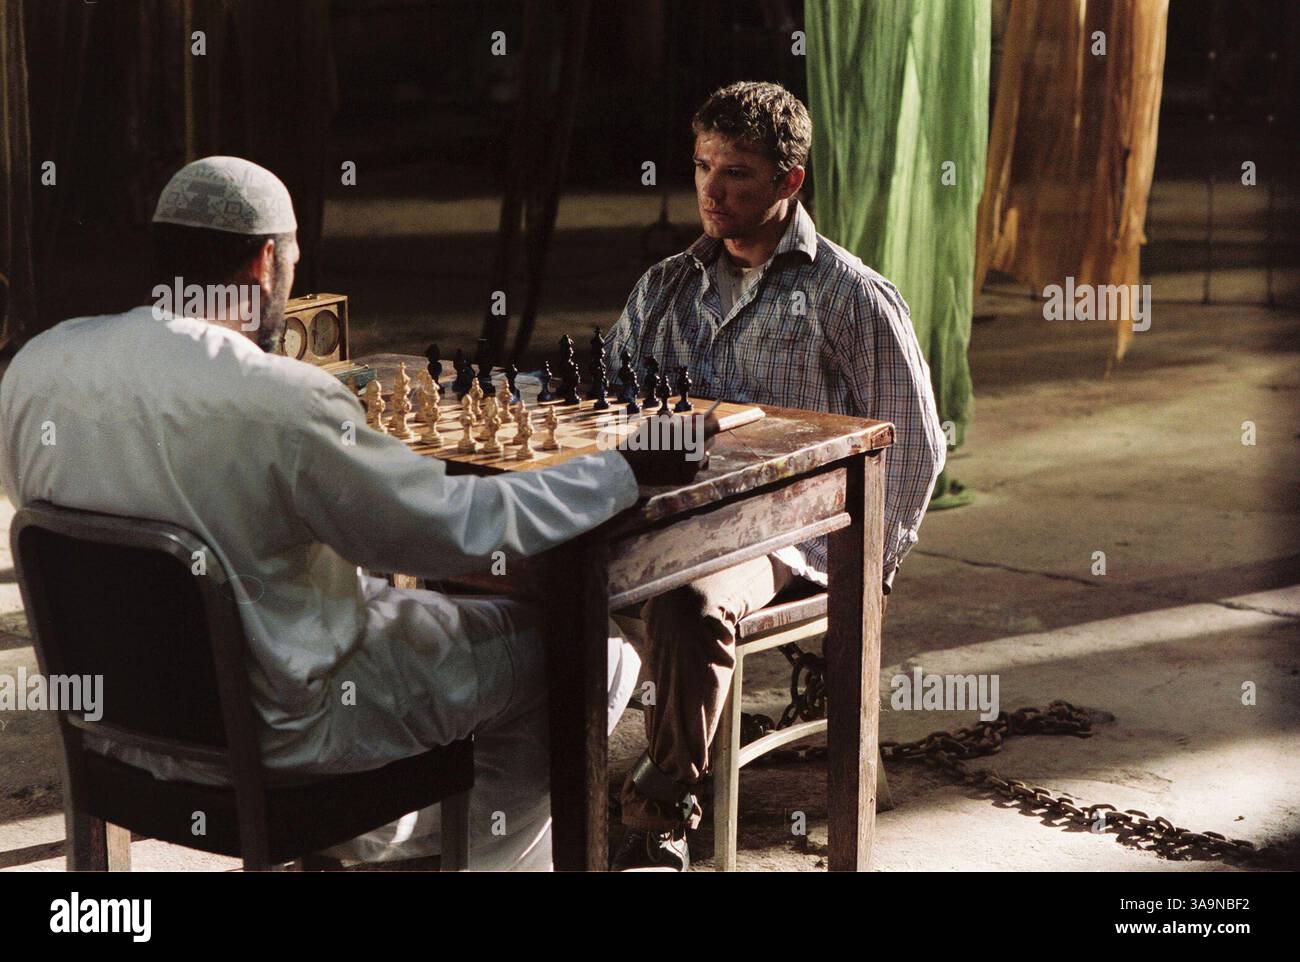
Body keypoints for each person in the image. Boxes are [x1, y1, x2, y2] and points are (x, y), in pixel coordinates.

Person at [0, 156, 704, 870]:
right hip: (283, 728)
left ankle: (378, 849)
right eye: (292, 263)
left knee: (389, 617)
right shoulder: (278, 399)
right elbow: (451, 531)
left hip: (119, 725)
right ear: (265, 261)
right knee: (591, 657)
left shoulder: (38, 368)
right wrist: (618, 469)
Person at [607, 82, 947, 870]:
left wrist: (870, 568)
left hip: (796, 540)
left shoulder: (850, 297)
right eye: (701, 168)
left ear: (790, 182)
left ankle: (660, 810)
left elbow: (917, 446)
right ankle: (531, 784)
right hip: (679, 519)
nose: (711, 192)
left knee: (689, 602)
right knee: (543, 570)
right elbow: (613, 409)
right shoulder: (664, 288)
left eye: (737, 175)